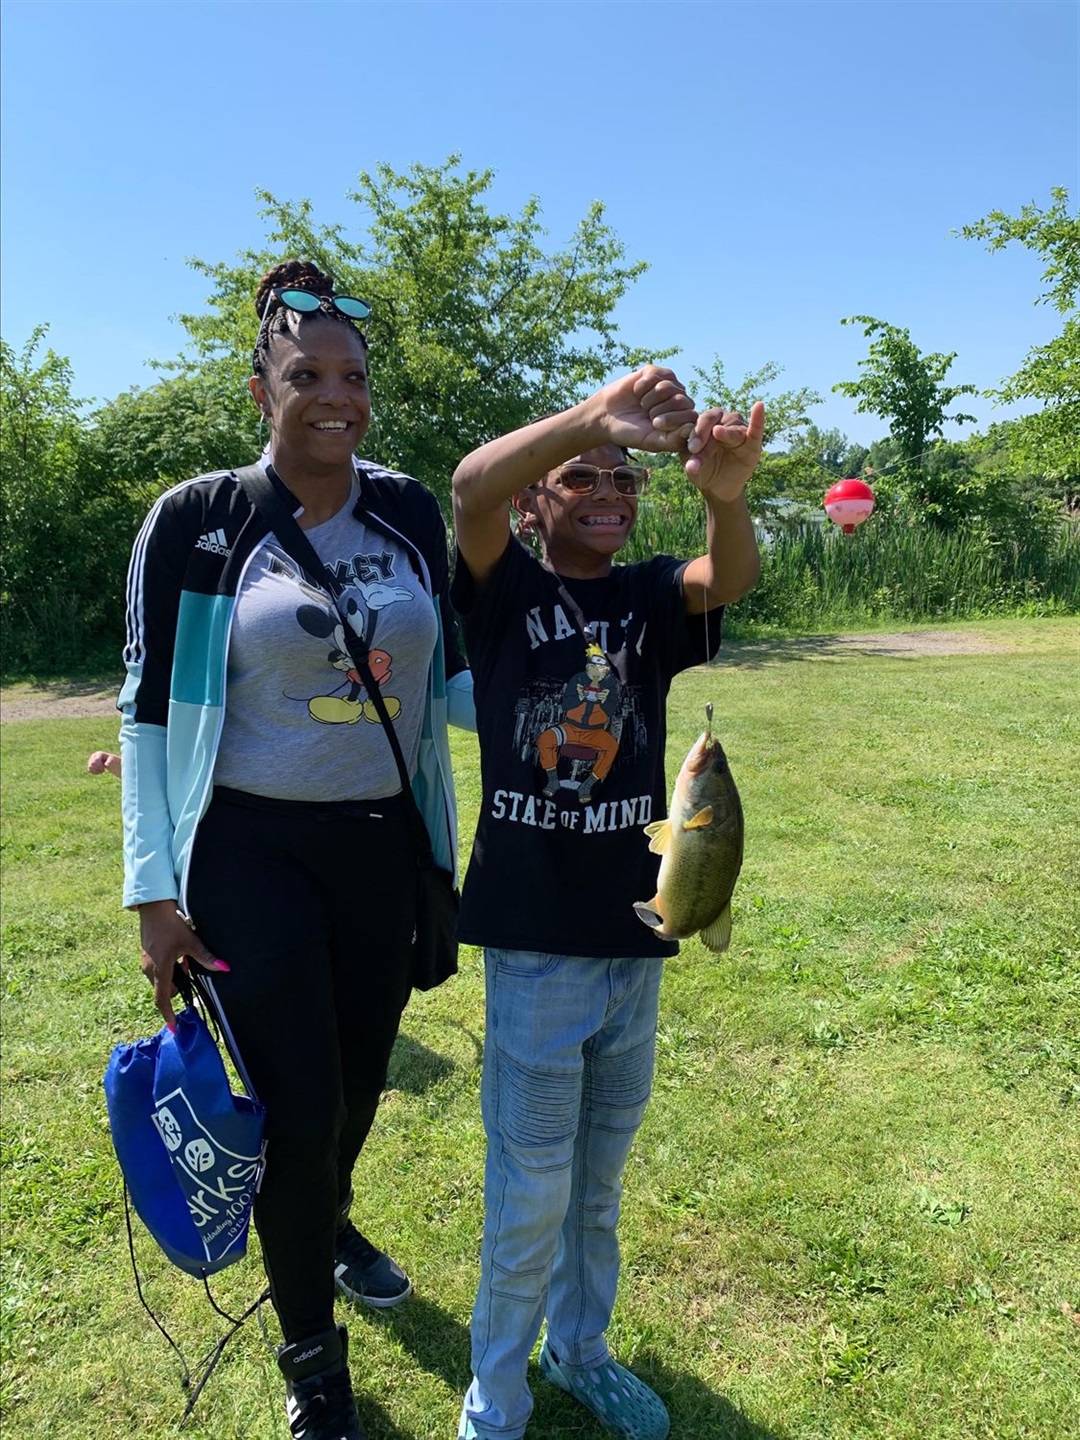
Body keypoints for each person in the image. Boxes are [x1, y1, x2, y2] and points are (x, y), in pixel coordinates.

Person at [119, 259, 471, 1440]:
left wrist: (588, 696)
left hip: (383, 847)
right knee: (301, 1101)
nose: (335, 396)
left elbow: (455, 681)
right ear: (261, 388)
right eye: (306, 374)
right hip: (249, 850)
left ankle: (321, 1217)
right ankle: (313, 1361)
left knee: (358, 1086)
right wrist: (153, 896)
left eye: (353, 376)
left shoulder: (409, 510)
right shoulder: (197, 521)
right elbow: (147, 716)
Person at [450, 366, 764, 1440]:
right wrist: (591, 419)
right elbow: (470, 489)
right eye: (579, 478)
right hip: (536, 955)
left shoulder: (646, 599)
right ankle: (495, 1401)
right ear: (536, 504)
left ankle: (579, 1351)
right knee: (529, 1192)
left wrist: (726, 494)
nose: (606, 494)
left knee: (595, 1187)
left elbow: (730, 575)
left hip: (635, 950)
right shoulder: (504, 594)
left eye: (624, 481)